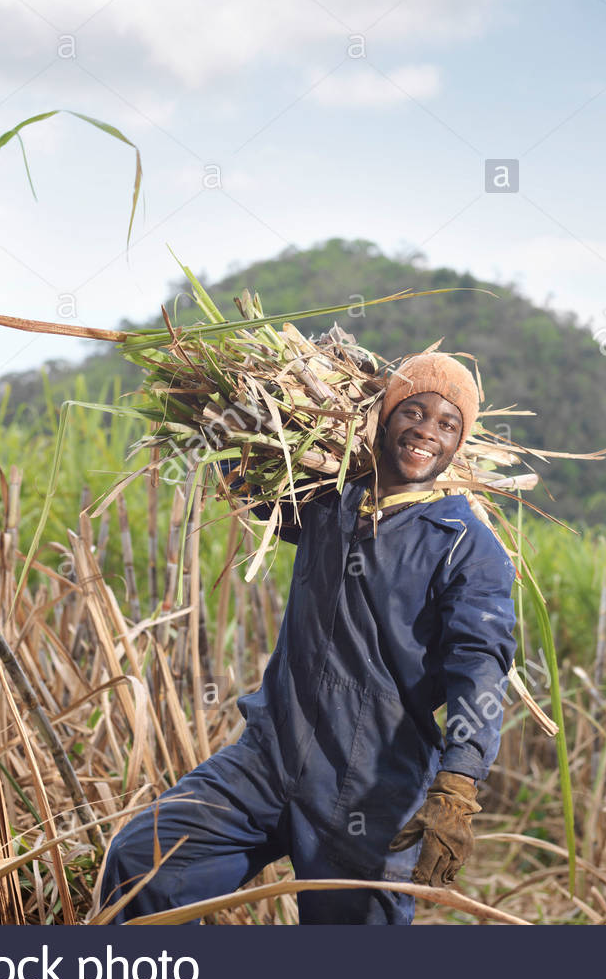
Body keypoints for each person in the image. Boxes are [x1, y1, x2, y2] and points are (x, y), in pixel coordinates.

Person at [98, 352, 517, 924]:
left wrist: (459, 781)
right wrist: (236, 394)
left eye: (447, 424)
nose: (426, 431)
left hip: (371, 783)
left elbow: (481, 662)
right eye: (412, 412)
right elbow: (240, 472)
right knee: (143, 865)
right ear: (383, 419)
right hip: (269, 754)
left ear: (458, 442)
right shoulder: (327, 499)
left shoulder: (465, 542)